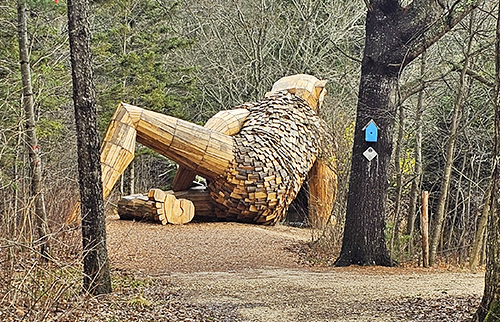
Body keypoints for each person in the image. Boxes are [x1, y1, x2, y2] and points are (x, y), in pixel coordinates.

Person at [102, 74, 337, 227]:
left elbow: (218, 125)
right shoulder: (320, 132)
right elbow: (325, 184)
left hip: (240, 161)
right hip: (268, 206)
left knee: (130, 117)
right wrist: (321, 224)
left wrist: (181, 183)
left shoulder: (259, 108)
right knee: (169, 203)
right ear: (316, 94)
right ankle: (157, 206)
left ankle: (83, 210)